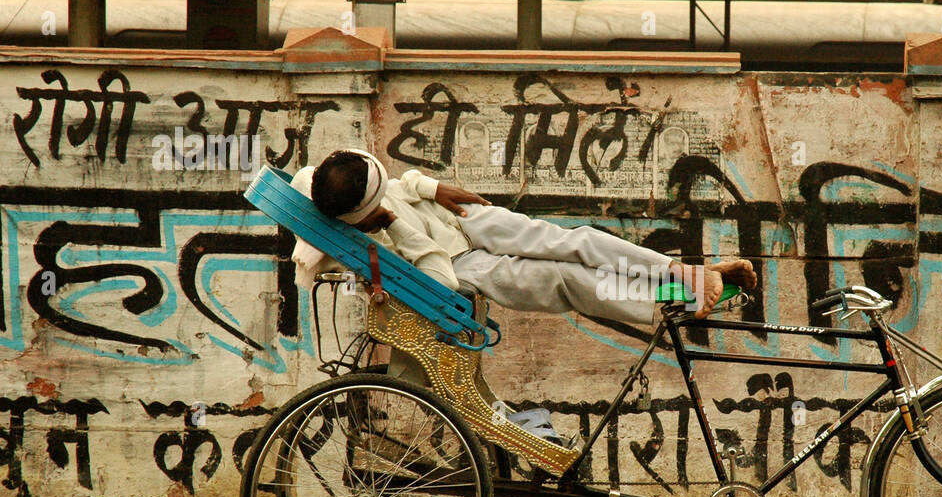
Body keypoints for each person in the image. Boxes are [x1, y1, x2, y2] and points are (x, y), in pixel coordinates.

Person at [289, 146, 757, 335]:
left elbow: (400, 183)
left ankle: (680, 272)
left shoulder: (318, 181)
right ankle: (673, 291)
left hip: (460, 220)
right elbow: (438, 276)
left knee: (580, 240)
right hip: (466, 267)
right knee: (564, 277)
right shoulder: (366, 240)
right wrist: (391, 225)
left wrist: (430, 187)